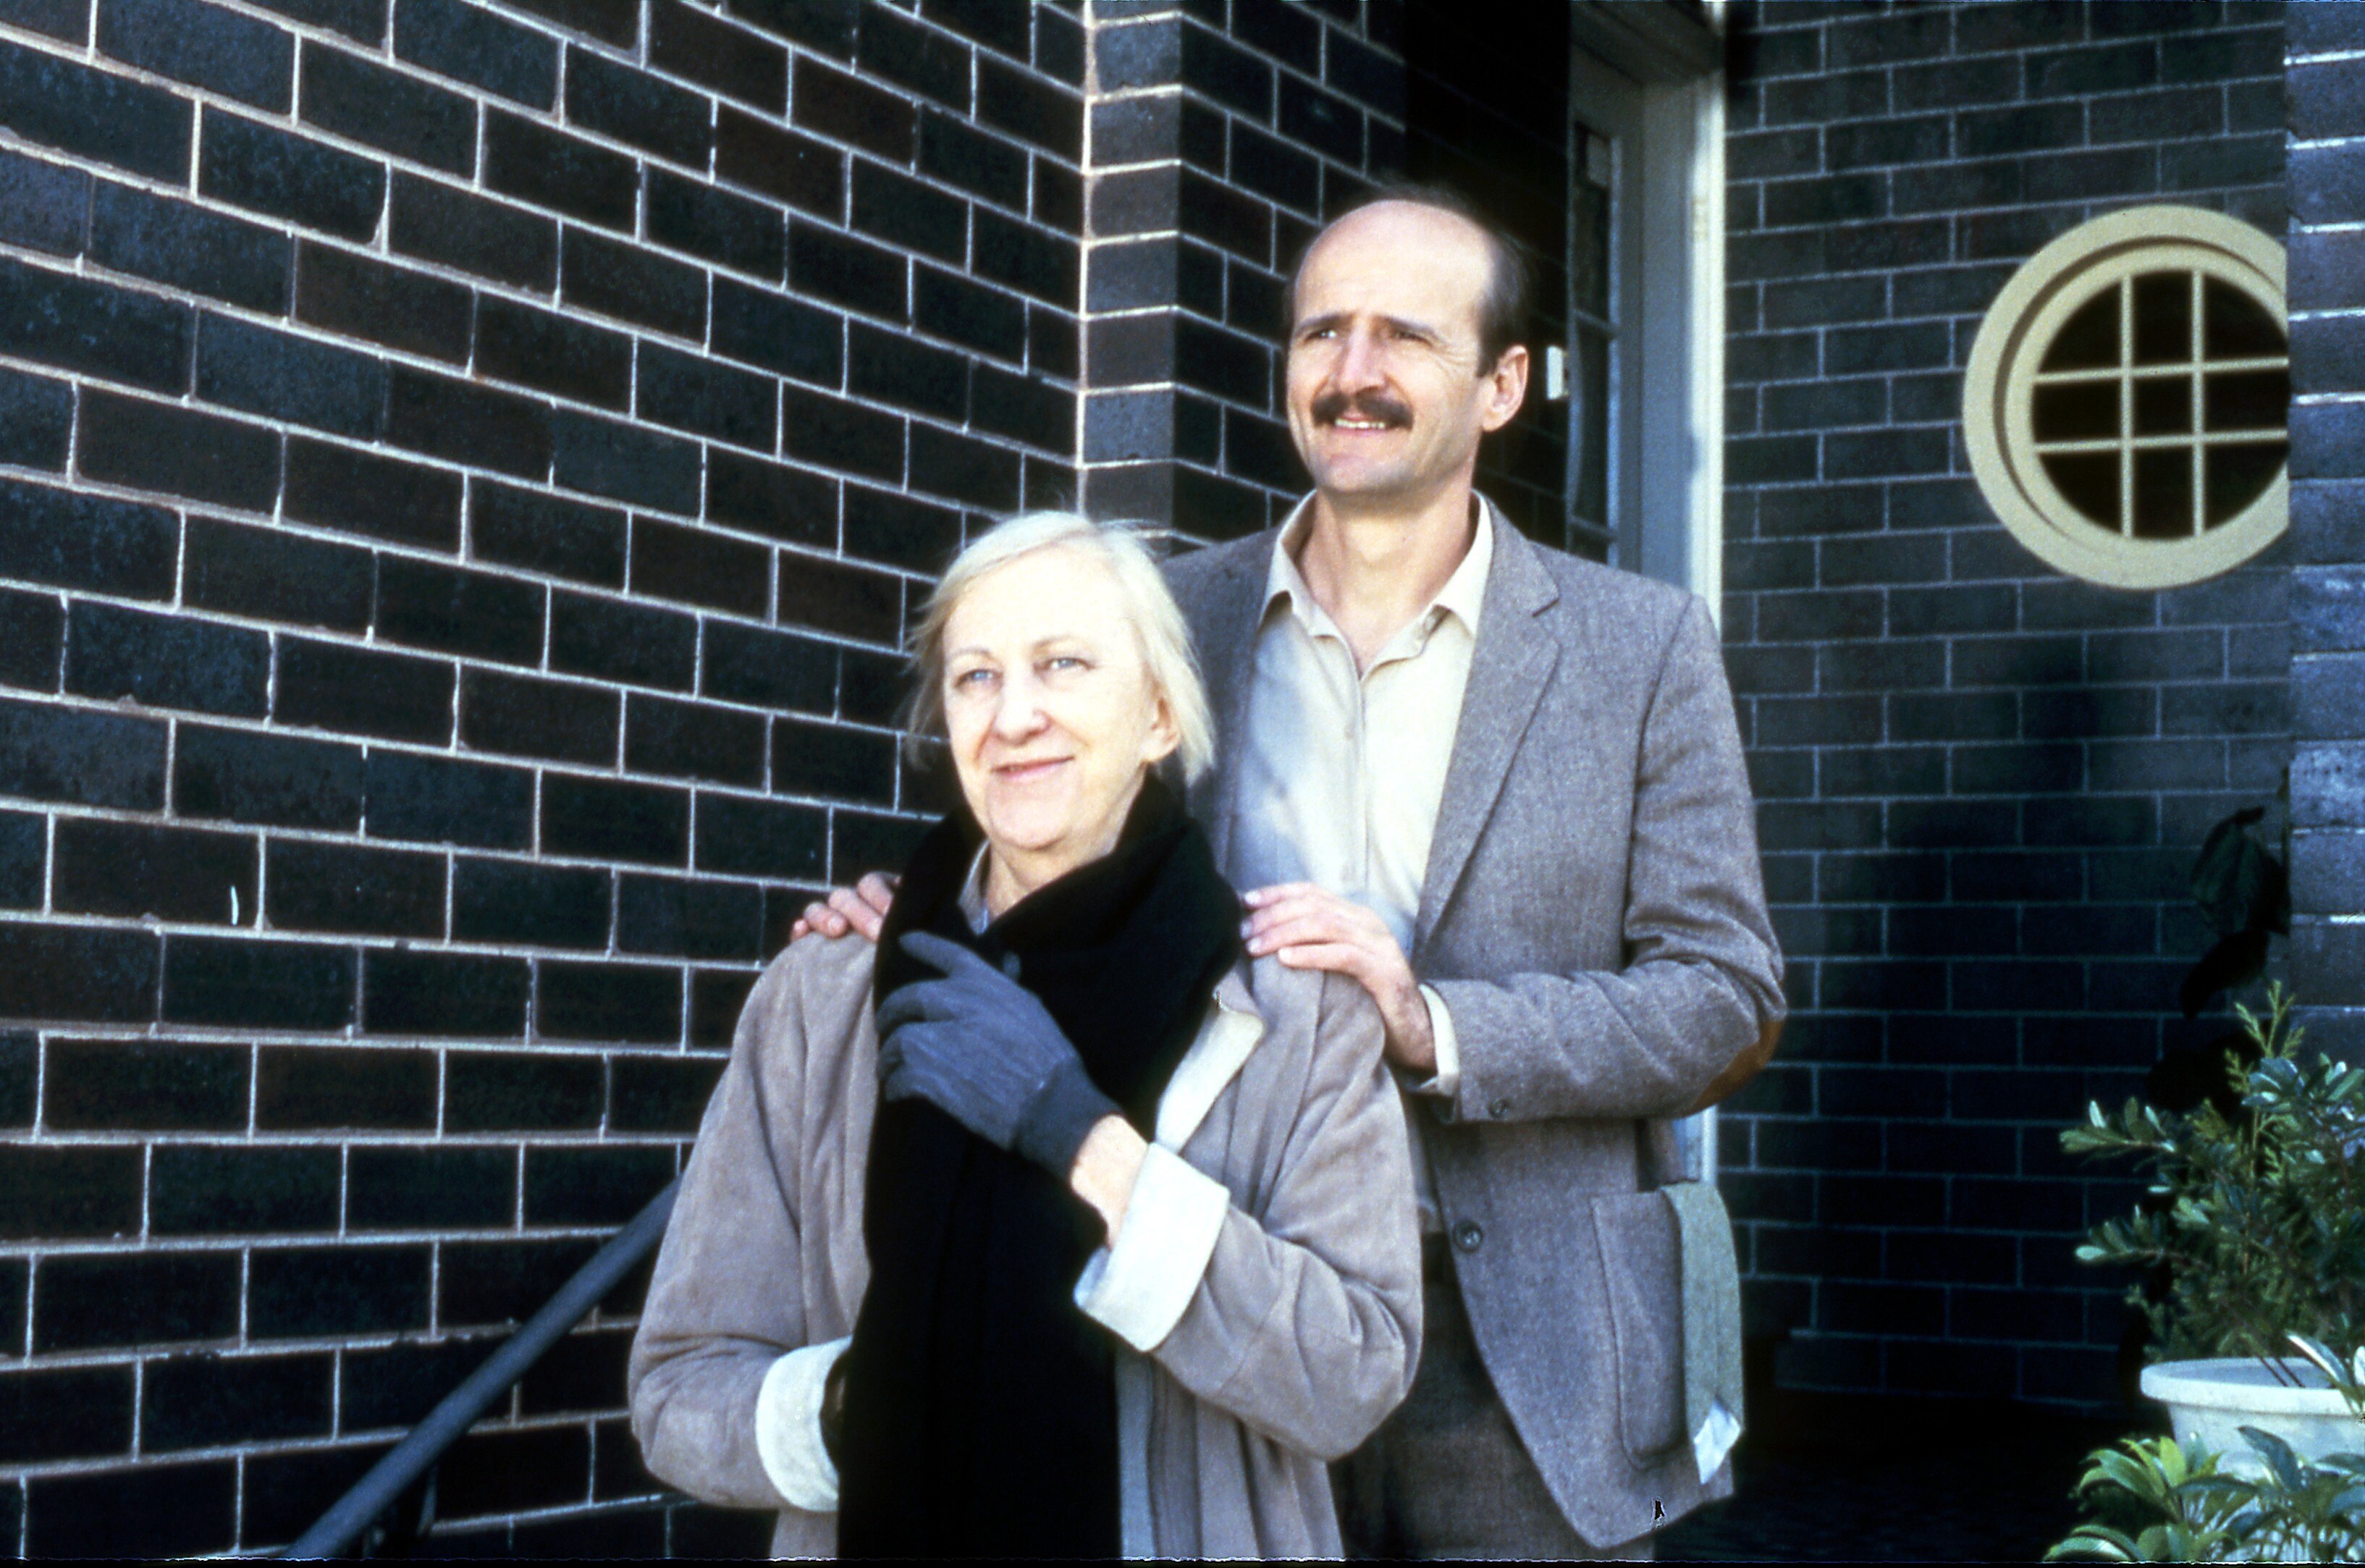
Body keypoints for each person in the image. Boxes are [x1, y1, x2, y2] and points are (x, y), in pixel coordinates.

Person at [796, 187, 1784, 1559]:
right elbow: (1054, 838)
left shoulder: (1643, 646)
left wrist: (1434, 1024)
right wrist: (919, 910)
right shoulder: (1169, 617)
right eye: (1323, 332)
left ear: (1502, 386)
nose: (1352, 372)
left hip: (1531, 1357)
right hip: (1218, 1310)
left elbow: (1728, 999)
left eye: (1405, 337)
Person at [628, 512, 1422, 1559]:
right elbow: (679, 1384)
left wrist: (1084, 1140)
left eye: (1063, 664)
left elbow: (1355, 1371)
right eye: (977, 677)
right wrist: (869, 1407)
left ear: (1157, 715)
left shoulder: (1292, 1013)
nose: (1015, 716)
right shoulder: (825, 998)